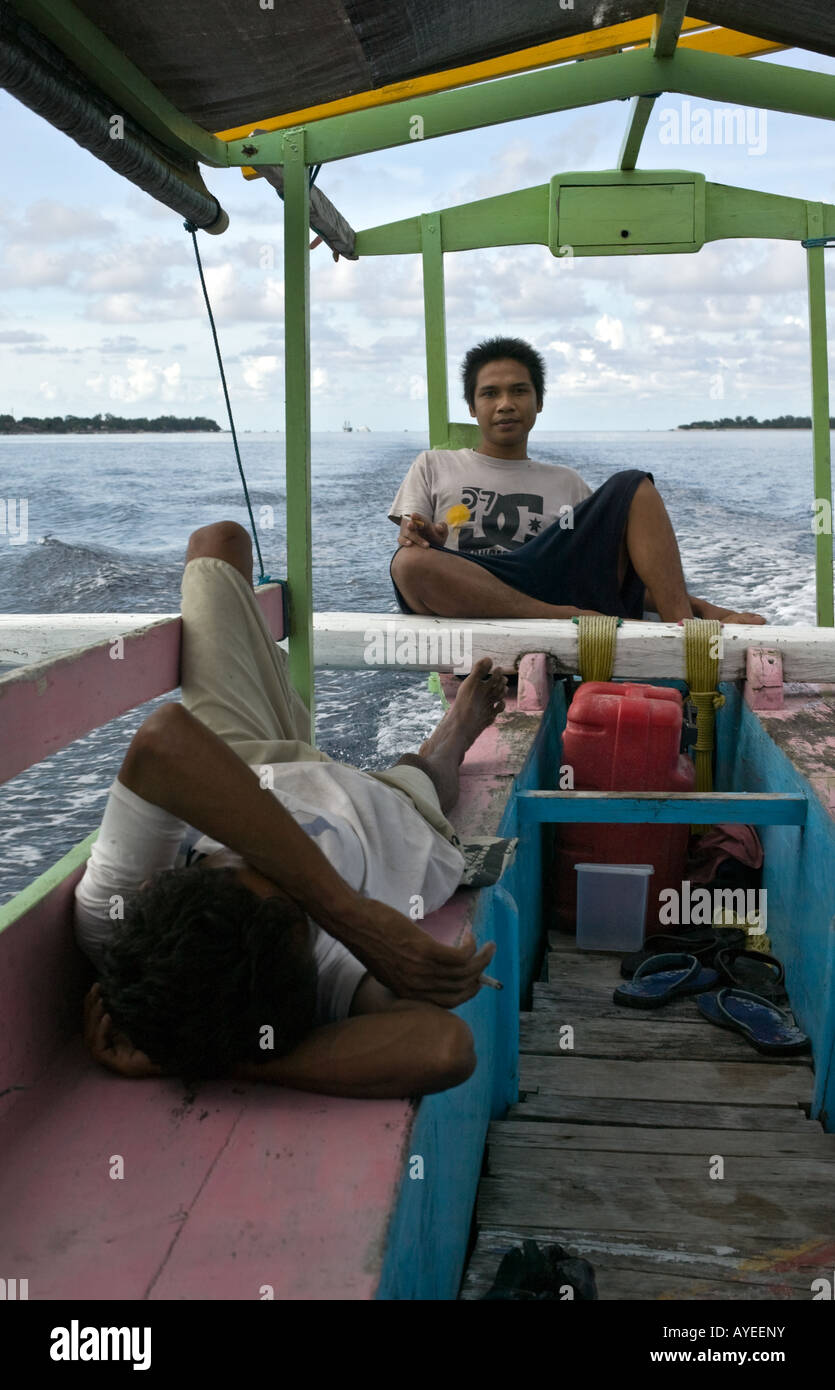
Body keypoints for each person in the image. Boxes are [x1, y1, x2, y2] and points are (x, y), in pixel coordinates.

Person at [77, 520, 510, 1100]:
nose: (279, 868)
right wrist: (223, 1063)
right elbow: (445, 1049)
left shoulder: (112, 919)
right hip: (384, 813)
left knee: (219, 545)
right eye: (296, 903)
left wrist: (349, 914)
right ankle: (455, 729)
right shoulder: (314, 970)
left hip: (241, 765)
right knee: (427, 775)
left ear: (160, 885)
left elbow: (163, 739)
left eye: (238, 865)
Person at [389, 336, 765, 625]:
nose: (505, 404)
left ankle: (682, 635)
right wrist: (425, 537)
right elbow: (413, 537)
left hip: (548, 581)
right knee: (409, 563)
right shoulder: (433, 465)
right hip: (475, 584)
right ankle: (559, 617)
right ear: (472, 407)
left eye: (519, 391)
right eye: (490, 393)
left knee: (634, 487)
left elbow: (600, 572)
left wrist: (704, 608)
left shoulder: (567, 484)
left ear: (539, 402)